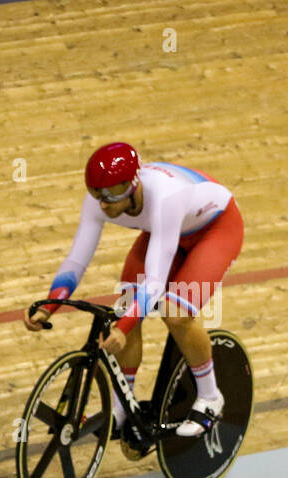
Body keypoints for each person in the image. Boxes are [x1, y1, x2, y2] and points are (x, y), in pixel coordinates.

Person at [25, 142, 244, 450]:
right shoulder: (101, 199)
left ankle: (210, 396)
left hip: (215, 230)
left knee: (174, 313)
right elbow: (77, 260)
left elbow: (154, 283)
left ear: (132, 184)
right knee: (125, 307)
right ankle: (121, 406)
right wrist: (50, 305)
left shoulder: (165, 198)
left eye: (112, 195)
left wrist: (123, 328)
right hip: (166, 233)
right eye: (97, 194)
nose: (104, 204)